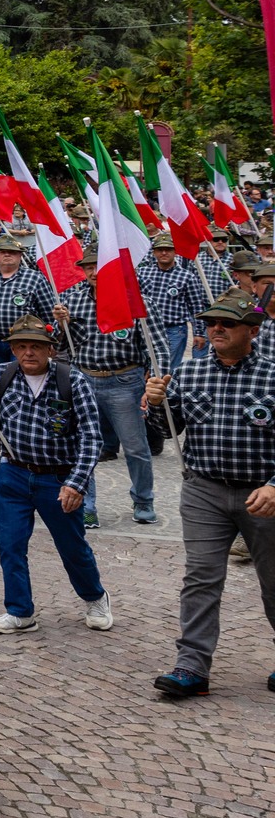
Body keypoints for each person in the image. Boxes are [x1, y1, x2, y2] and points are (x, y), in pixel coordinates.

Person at [145, 290, 275, 698]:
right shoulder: (189, 372)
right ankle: (192, 667)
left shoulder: (273, 374)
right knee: (200, 578)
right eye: (210, 323)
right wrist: (154, 406)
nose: (215, 329)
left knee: (273, 582)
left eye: (227, 323)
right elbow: (168, 433)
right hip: (204, 491)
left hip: (263, 495)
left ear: (252, 331)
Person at [0, 315, 112, 635]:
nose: (29, 353)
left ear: (50, 350)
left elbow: (92, 438)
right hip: (13, 474)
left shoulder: (73, 380)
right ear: (12, 349)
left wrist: (76, 482)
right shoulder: (2, 374)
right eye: (22, 346)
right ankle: (20, 610)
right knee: (10, 545)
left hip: (57, 479)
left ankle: (95, 596)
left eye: (37, 347)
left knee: (72, 546)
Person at [54, 244, 157, 527]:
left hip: (125, 381)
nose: (92, 272)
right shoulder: (71, 301)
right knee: (83, 445)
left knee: (135, 447)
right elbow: (61, 347)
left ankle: (143, 500)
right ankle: (86, 505)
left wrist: (153, 382)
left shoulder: (136, 301)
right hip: (84, 378)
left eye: (97, 266)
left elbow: (155, 346)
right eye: (87, 267)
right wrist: (60, 326)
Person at [0, 235, 55, 367]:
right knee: (1, 376)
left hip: (25, 341)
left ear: (20, 255)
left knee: (21, 377)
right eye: (3, 251)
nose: (7, 255)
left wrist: (50, 340)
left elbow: (48, 313)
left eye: (12, 252)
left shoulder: (35, 278)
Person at [139, 232, 202, 370]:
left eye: (168, 249)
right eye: (160, 250)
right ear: (154, 252)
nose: (164, 253)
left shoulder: (187, 276)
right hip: (148, 328)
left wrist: (199, 333)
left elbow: (196, 307)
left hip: (175, 330)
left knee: (169, 368)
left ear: (175, 252)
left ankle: (168, 391)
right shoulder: (142, 273)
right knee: (146, 365)